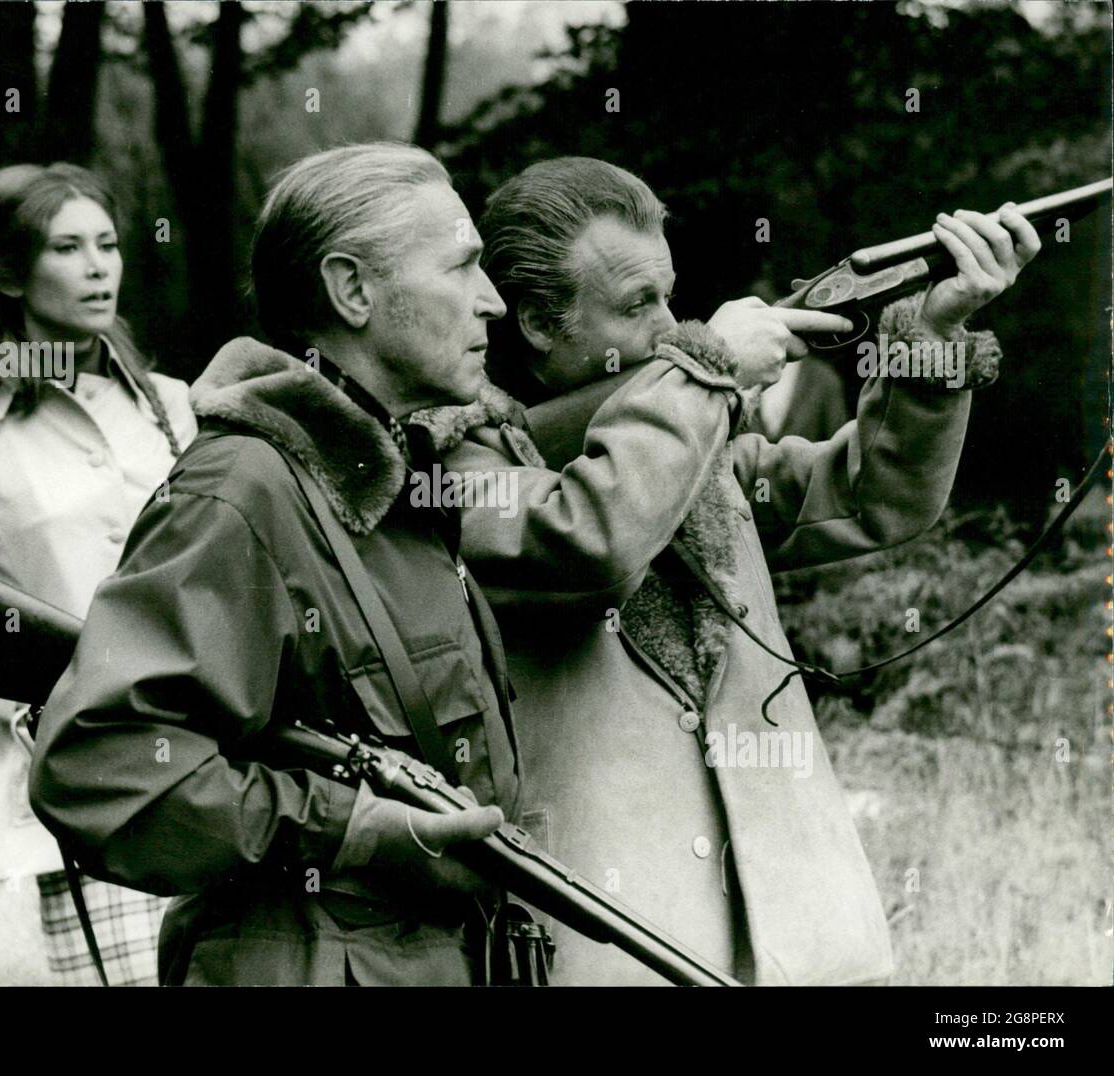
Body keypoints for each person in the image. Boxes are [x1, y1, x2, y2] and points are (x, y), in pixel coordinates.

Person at [412, 156, 1038, 984]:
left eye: (672, 298)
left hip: (795, 933)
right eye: (639, 306)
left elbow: (876, 499)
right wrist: (707, 371)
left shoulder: (696, 445)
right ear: (534, 323)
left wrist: (932, 333)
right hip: (613, 941)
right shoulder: (451, 469)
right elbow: (593, 535)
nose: (672, 326)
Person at [28, 142, 520, 987]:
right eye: (464, 267)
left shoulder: (401, 476)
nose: (495, 304)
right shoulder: (241, 490)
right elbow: (97, 766)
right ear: (353, 290)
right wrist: (352, 830)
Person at [0, 162, 198, 986]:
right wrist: (42, 694)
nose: (99, 266)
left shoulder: (173, 406)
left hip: (225, 779)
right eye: (68, 247)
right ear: (7, 271)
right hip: (91, 795)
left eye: (108, 244)